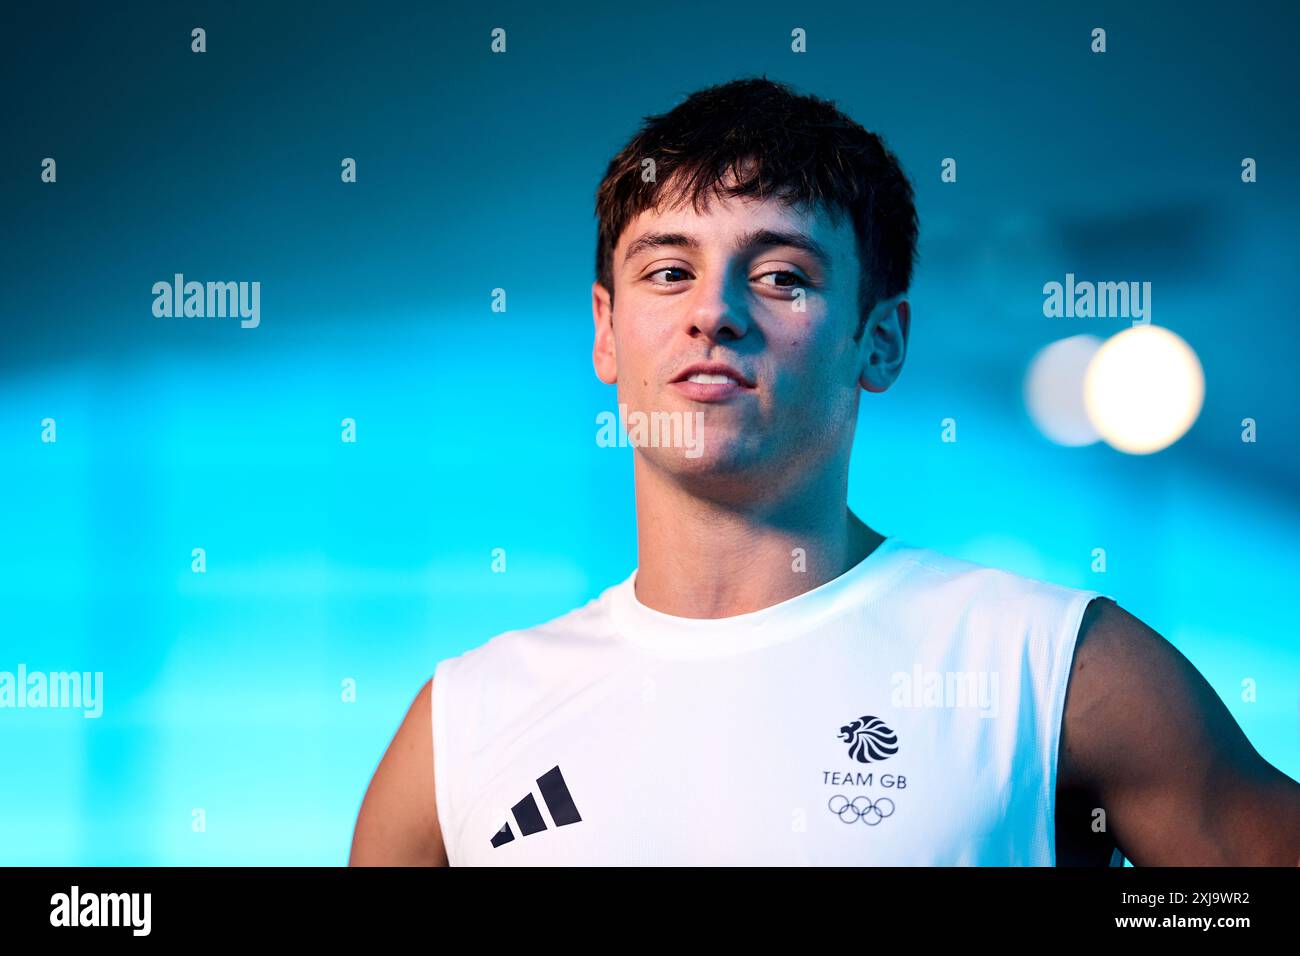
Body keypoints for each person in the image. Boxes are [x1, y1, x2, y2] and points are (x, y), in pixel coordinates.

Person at [349, 76, 1300, 866]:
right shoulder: (462, 726)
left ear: (877, 342)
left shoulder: (1053, 669)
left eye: (782, 276)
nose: (714, 313)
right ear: (606, 330)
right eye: (668, 271)